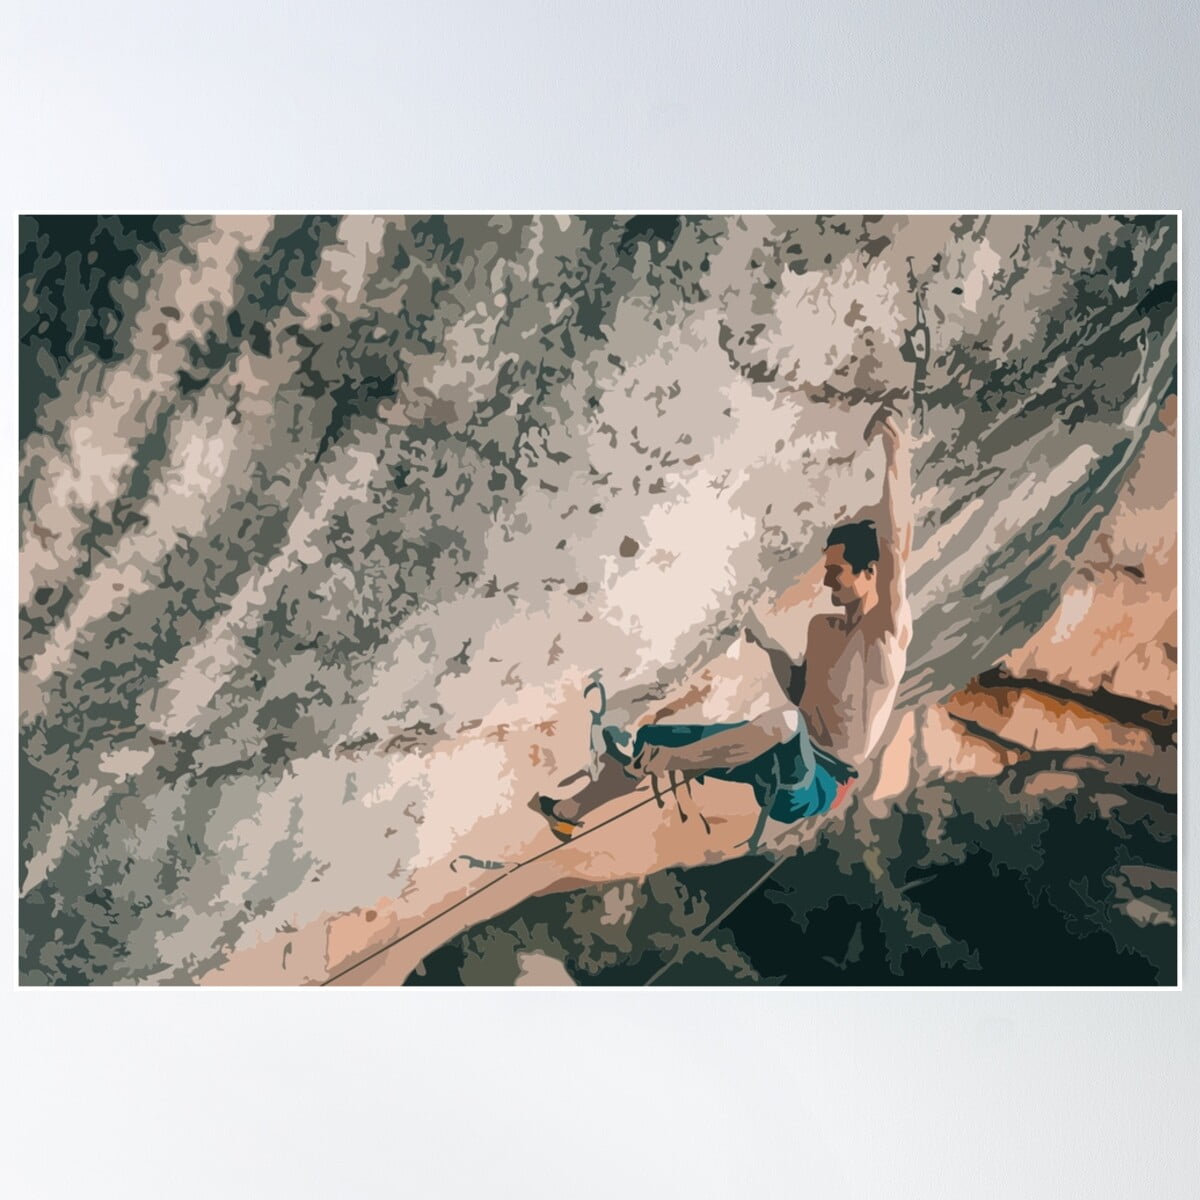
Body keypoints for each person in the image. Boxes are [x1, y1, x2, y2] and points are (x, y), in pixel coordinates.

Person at [534, 406, 914, 853]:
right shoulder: (821, 629)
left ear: (869, 573)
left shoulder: (885, 633)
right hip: (773, 753)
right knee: (649, 742)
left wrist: (896, 457)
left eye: (838, 571)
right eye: (827, 570)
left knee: (783, 725)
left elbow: (895, 547)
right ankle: (567, 814)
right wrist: (767, 643)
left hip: (817, 783)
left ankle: (668, 761)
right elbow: (801, 691)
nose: (827, 581)